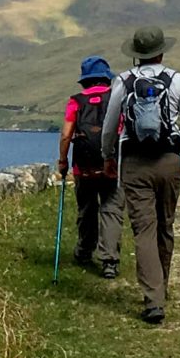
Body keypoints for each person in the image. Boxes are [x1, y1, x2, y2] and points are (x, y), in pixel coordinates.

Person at [98, 26, 180, 325]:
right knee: (165, 224)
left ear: (136, 54)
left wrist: (108, 157)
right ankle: (163, 284)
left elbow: (109, 126)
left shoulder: (123, 81)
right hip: (168, 160)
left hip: (134, 162)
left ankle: (153, 299)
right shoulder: (176, 79)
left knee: (143, 229)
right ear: (161, 51)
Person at [57, 55, 122, 280]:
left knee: (86, 209)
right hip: (111, 165)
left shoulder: (75, 101)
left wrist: (63, 161)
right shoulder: (116, 98)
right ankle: (109, 261)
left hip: (82, 167)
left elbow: (66, 135)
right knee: (111, 208)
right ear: (106, 78)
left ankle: (84, 250)